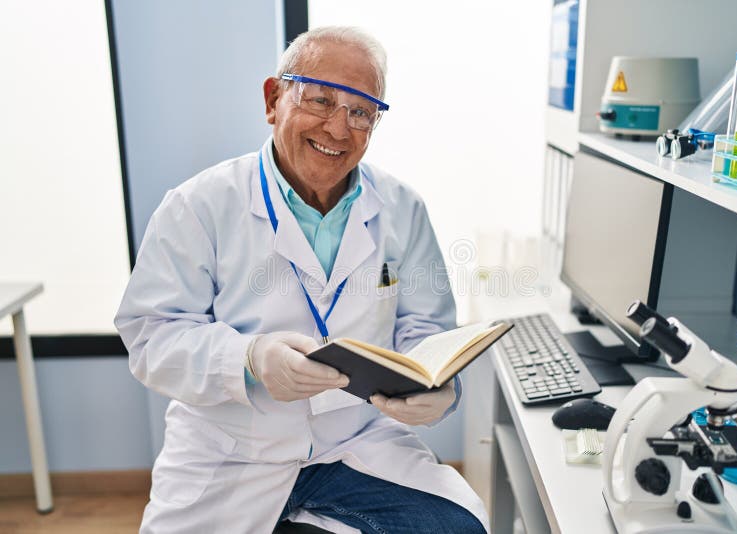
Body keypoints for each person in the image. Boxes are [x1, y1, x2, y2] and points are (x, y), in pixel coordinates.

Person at [115, 26, 488, 533]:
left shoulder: (403, 208)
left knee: (459, 528)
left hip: (356, 443)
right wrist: (249, 359)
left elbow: (425, 328)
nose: (338, 129)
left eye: (361, 112)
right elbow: (151, 336)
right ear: (274, 99)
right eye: (320, 100)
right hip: (233, 449)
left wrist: (441, 389)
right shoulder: (199, 205)